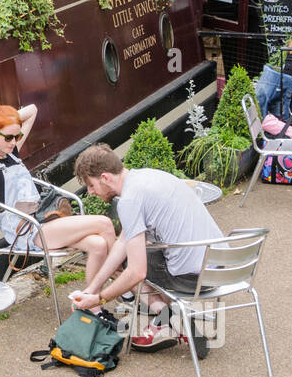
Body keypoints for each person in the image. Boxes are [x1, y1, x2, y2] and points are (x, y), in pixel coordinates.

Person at [69, 144, 223, 351]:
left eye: (91, 185)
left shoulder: (130, 201)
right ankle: (169, 315)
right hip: (223, 269)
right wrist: (91, 289)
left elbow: (136, 272)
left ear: (105, 178)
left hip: (193, 279)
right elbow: (124, 241)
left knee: (127, 267)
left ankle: (168, 318)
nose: (90, 192)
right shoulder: (149, 176)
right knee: (126, 254)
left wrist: (99, 298)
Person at [0, 101, 115, 268]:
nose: (13, 142)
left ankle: (96, 292)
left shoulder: (11, 153)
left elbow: (32, 110)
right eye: (8, 137)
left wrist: (7, 122)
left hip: (44, 220)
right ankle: (127, 283)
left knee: (97, 245)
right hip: (29, 233)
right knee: (104, 223)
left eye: (17, 137)